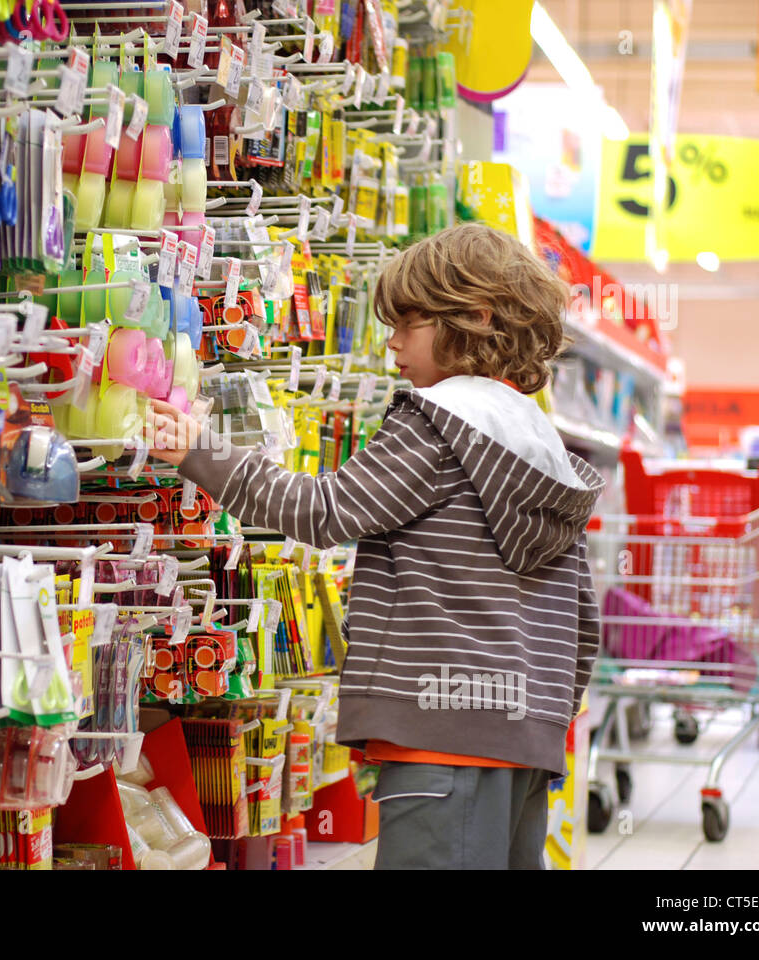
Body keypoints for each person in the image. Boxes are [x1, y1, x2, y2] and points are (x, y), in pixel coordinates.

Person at [145, 222, 604, 869]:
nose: (390, 341)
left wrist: (198, 451)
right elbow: (584, 617)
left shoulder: (436, 423)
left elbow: (322, 511)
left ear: (473, 317)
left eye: (408, 322)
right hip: (524, 741)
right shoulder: (543, 444)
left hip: (439, 733)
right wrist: (545, 721)